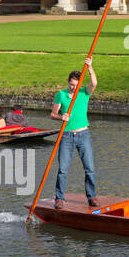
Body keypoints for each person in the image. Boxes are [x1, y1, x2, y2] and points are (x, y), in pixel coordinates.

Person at [51, 59, 97, 209]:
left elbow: (94, 83)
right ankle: (59, 198)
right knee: (63, 169)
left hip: (83, 134)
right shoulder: (61, 95)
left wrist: (90, 68)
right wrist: (61, 117)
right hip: (66, 136)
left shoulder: (84, 92)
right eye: (71, 84)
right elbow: (53, 114)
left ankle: (91, 197)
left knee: (89, 168)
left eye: (76, 85)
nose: (73, 87)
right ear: (68, 82)